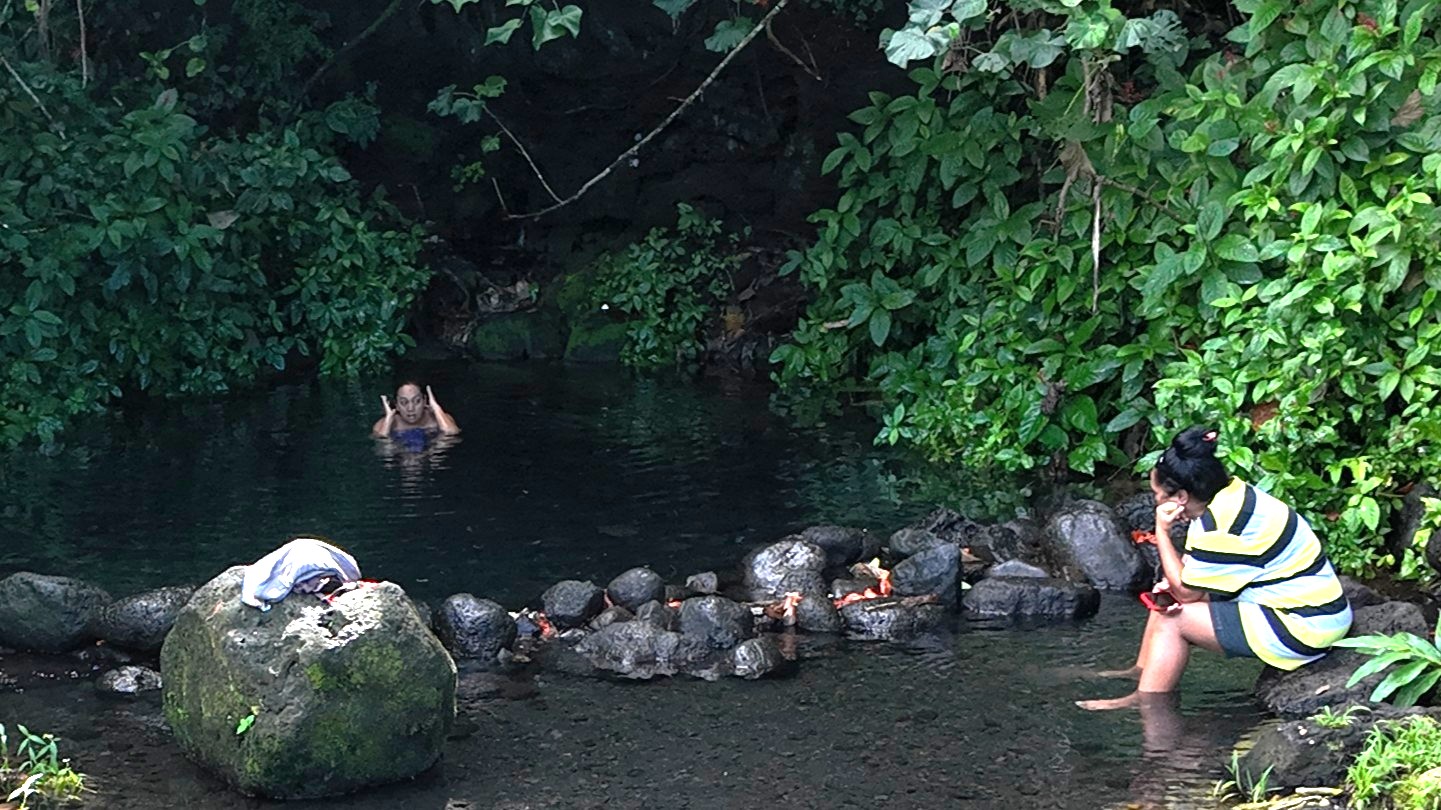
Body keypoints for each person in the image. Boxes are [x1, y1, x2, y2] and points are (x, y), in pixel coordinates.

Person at [1077, 425, 1352, 710]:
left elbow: (1187, 594)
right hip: (1298, 602)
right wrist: (1173, 585)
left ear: (1180, 497)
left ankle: (1146, 703)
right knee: (1167, 599)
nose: (1155, 500)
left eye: (1157, 493)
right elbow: (1193, 573)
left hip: (1308, 625)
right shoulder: (1229, 496)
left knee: (1176, 618)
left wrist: (1161, 530)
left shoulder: (1222, 525)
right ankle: (1141, 671)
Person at [371, 382, 461, 441]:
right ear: (397, 405)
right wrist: (387, 422)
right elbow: (382, 451)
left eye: (417, 401)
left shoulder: (439, 419)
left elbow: (452, 434)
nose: (410, 408)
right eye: (404, 402)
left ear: (425, 401)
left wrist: (437, 409)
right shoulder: (382, 424)